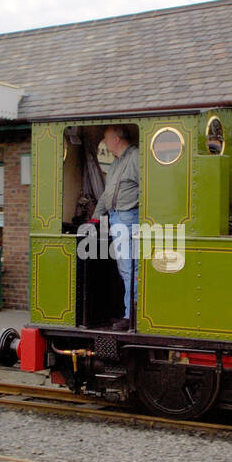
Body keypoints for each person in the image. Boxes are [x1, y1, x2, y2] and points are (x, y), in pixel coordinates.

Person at [91, 125, 139, 331]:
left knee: (129, 269)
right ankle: (130, 313)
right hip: (116, 218)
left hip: (128, 217)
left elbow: (147, 186)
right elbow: (107, 193)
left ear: (116, 139)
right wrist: (95, 218)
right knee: (125, 269)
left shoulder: (135, 157)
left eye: (106, 139)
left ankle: (131, 316)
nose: (104, 143)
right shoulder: (117, 162)